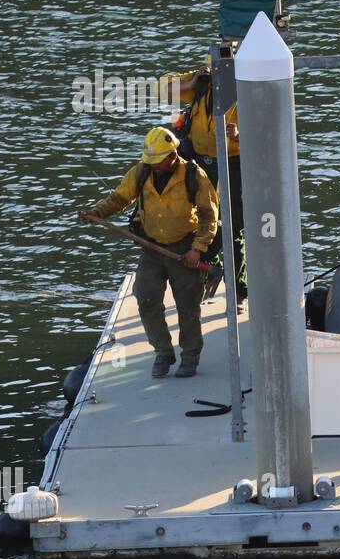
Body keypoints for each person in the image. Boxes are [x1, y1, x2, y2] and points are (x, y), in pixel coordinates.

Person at [79, 127, 219, 378]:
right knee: (146, 298)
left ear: (172, 156)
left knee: (188, 306)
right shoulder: (141, 172)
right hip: (152, 248)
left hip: (184, 249)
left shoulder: (194, 175)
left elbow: (209, 215)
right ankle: (163, 353)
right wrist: (98, 212)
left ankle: (190, 356)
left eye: (158, 161)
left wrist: (197, 250)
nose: (154, 165)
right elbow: (119, 197)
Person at [164, 64, 247, 306]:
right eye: (213, 73)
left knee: (234, 227)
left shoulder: (245, 88)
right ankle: (210, 268)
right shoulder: (199, 86)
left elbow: (265, 130)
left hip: (233, 162)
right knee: (201, 219)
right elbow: (165, 88)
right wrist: (193, 82)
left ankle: (239, 291)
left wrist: (239, 135)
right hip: (203, 163)